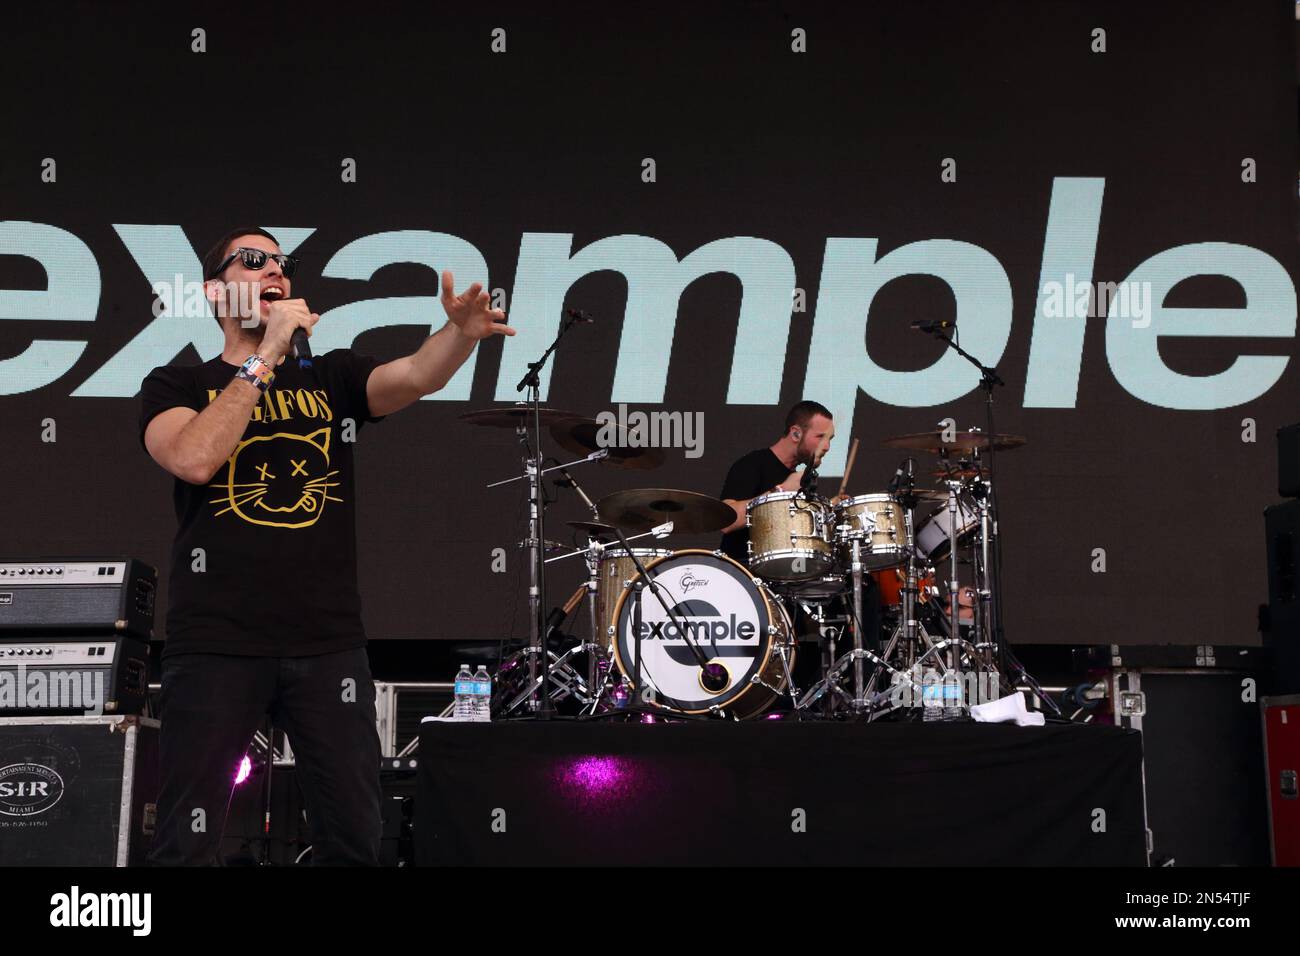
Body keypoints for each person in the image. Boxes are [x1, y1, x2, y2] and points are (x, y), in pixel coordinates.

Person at [138, 226, 513, 865]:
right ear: (213, 292)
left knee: (355, 838)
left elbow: (416, 375)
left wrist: (459, 336)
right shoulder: (175, 385)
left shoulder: (332, 375)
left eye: (282, 264)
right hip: (215, 641)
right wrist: (269, 353)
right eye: (252, 261)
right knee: (187, 840)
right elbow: (196, 458)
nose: (274, 272)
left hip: (327, 643)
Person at [717, 400, 836, 565]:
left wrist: (827, 511)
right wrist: (781, 490)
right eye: (820, 437)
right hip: (742, 574)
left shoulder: (798, 479)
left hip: (784, 575)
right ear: (795, 434)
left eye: (830, 439)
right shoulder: (753, 463)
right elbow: (726, 520)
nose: (827, 446)